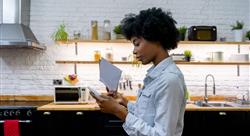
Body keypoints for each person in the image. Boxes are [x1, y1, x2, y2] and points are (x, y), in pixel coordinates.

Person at [92, 7, 187, 136]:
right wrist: (124, 102)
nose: (134, 51)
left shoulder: (170, 80)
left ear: (156, 38)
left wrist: (118, 111)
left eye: (137, 44)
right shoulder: (157, 76)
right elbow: (147, 115)